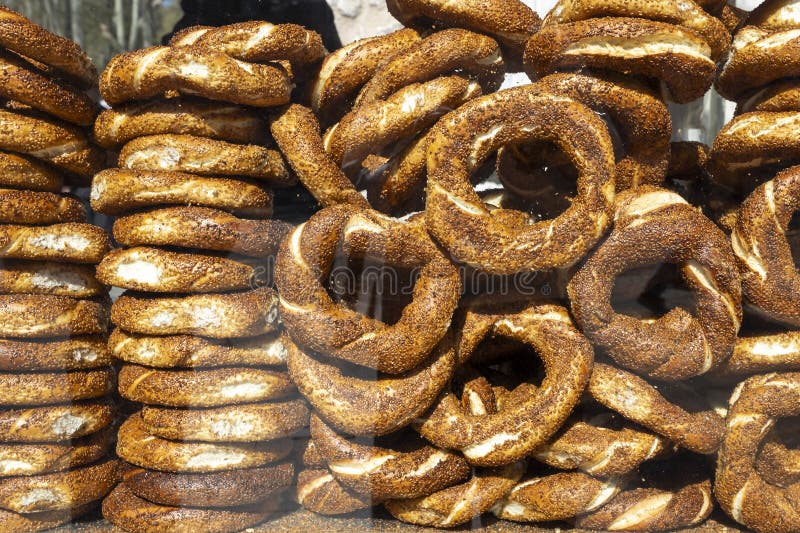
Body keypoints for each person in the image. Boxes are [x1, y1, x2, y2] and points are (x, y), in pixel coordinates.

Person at [167, 0, 342, 51]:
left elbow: (332, 59)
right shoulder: (207, 7)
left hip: (298, 100)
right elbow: (176, 45)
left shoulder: (309, 6)